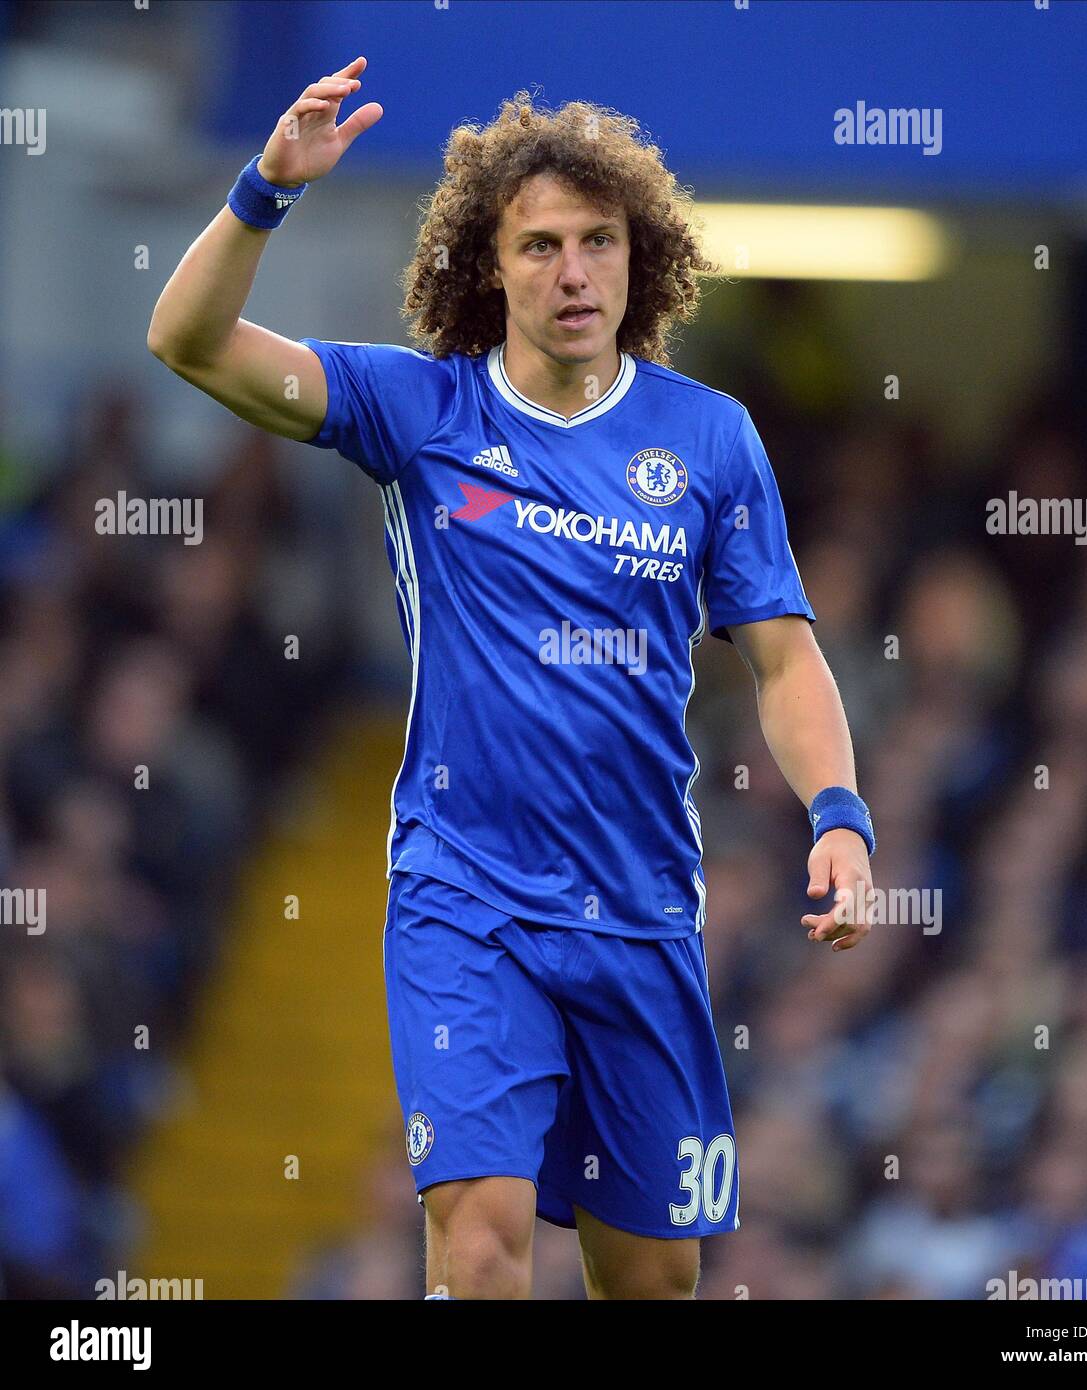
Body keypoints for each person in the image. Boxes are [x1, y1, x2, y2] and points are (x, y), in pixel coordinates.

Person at [148, 57, 876, 1301]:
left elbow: (782, 651)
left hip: (641, 909)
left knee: (653, 1281)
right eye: (539, 245)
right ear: (490, 266)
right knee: (480, 1236)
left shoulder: (709, 439)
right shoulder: (417, 411)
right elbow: (187, 340)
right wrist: (267, 186)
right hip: (465, 896)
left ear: (640, 255)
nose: (574, 271)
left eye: (599, 240)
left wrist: (841, 816)